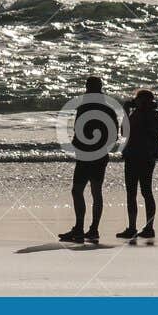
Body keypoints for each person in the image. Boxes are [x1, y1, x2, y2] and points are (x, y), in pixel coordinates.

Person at [58, 76, 112, 244]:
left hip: (86, 154)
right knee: (96, 191)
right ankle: (93, 229)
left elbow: (78, 129)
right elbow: (113, 133)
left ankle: (80, 228)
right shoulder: (108, 107)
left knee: (78, 190)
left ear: (89, 88)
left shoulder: (85, 106)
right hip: (101, 154)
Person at [116, 90, 158, 240]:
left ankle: (134, 227)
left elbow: (125, 131)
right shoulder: (156, 115)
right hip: (146, 157)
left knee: (136, 193)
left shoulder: (146, 115)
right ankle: (147, 227)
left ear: (143, 101)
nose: (134, 101)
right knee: (144, 192)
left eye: (137, 99)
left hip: (137, 157)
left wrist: (126, 111)